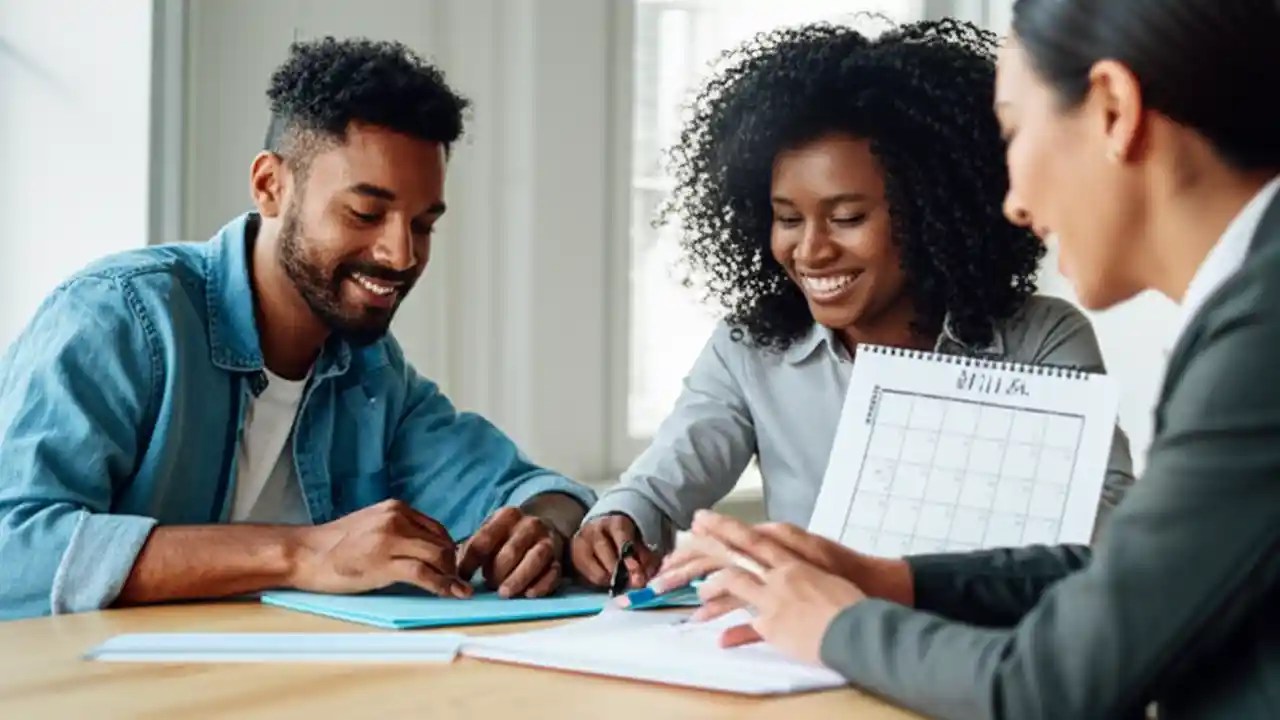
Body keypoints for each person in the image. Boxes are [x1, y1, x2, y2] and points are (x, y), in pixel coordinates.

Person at [658, 1, 1280, 718]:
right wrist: (892, 580)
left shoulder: (1263, 341)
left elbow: (1043, 687)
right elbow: (1130, 575)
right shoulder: (1250, 311)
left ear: (1113, 108)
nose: (1012, 203)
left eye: (1014, 132)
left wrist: (835, 624)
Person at [0, 37, 595, 621]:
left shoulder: (372, 374)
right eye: (365, 214)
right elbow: (14, 551)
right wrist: (301, 553)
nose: (401, 254)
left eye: (423, 224)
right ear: (270, 186)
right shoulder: (120, 317)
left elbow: (533, 490)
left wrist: (543, 527)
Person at [573, 19, 1133, 590]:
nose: (810, 250)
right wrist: (619, 520)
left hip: (979, 639)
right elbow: (657, 488)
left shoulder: (1041, 338)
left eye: (847, 218)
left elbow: (1106, 518)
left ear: (932, 213)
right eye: (788, 219)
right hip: (803, 652)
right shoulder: (750, 352)